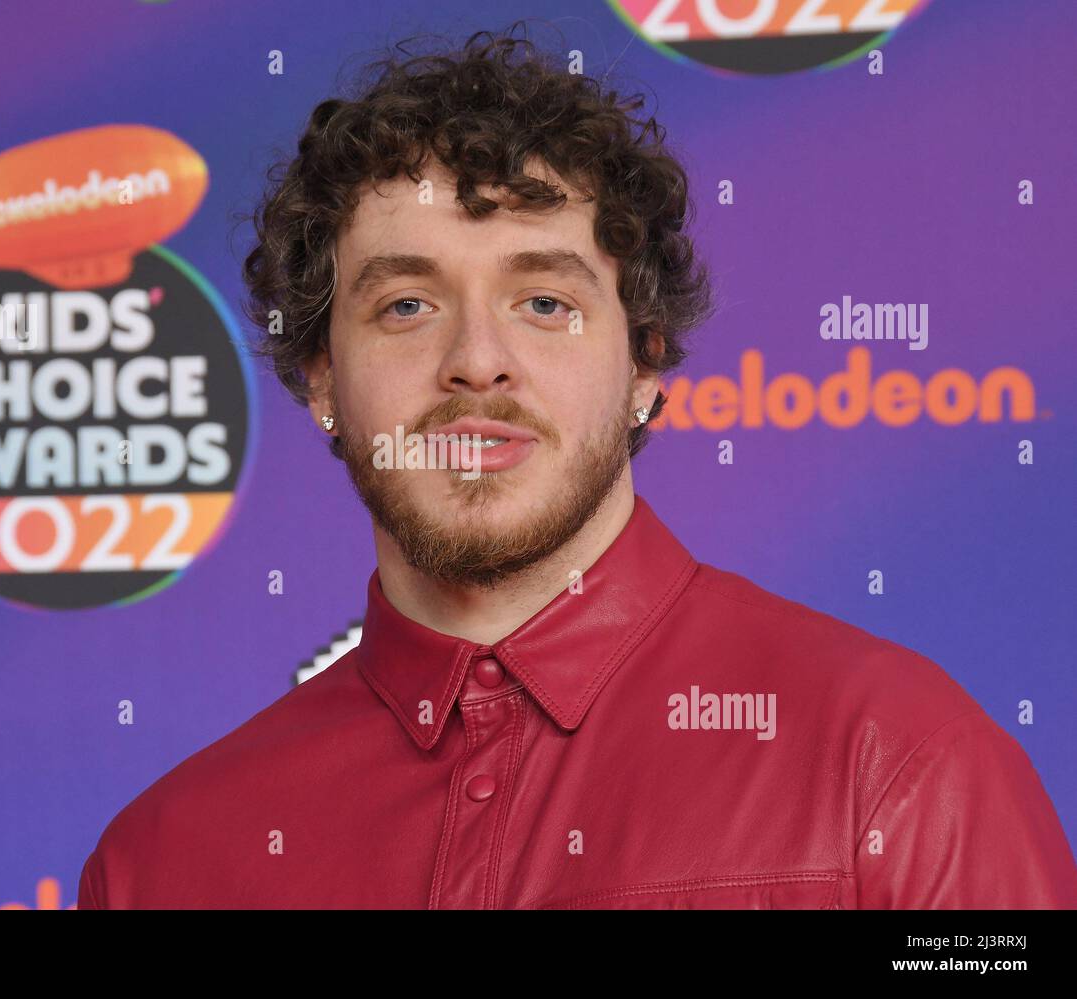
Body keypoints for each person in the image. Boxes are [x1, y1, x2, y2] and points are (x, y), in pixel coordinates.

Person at [77, 26, 1077, 909]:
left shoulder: (896, 769)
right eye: (406, 306)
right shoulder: (165, 861)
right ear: (322, 381)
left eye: (544, 303)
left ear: (643, 364)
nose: (476, 359)